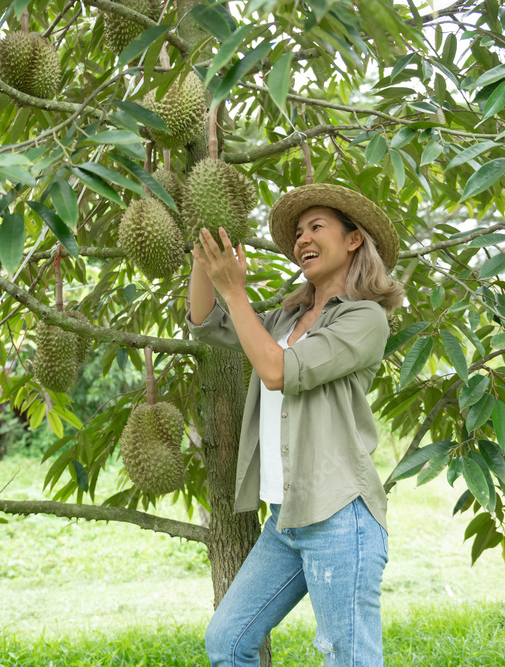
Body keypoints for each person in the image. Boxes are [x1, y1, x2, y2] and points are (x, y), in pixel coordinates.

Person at [186, 183, 405, 666]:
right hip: (284, 519)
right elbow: (205, 322)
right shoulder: (286, 319)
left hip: (338, 515)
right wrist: (207, 256)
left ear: (353, 240)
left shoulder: (366, 319)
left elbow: (277, 371)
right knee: (227, 640)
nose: (303, 238)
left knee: (346, 658)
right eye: (299, 232)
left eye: (317, 227)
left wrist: (234, 288)